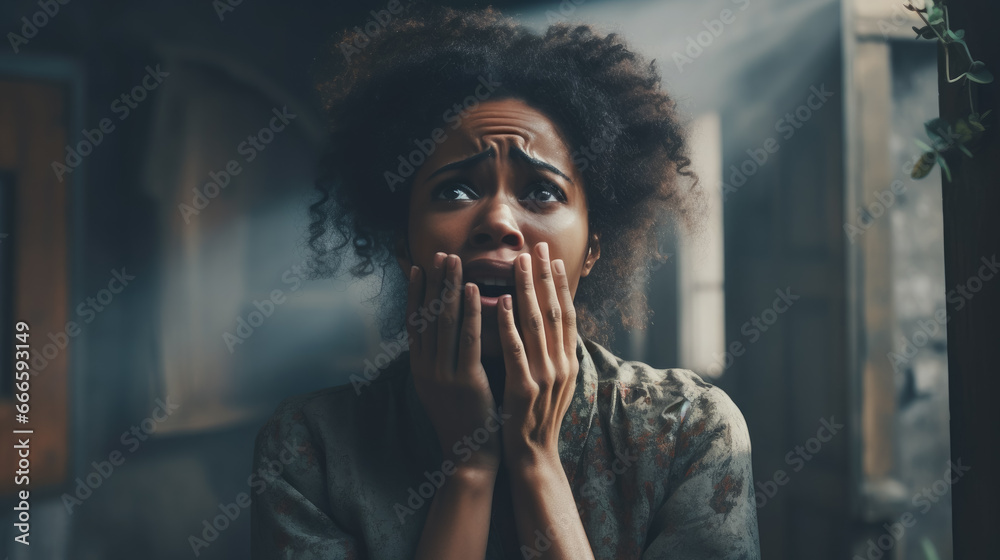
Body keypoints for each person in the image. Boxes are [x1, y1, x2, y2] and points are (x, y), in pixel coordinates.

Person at [251, 5, 760, 559]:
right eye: (454, 191)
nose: (497, 220)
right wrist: (468, 470)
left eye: (542, 190)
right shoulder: (310, 448)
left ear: (592, 249)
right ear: (403, 243)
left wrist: (535, 458)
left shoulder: (689, 430)